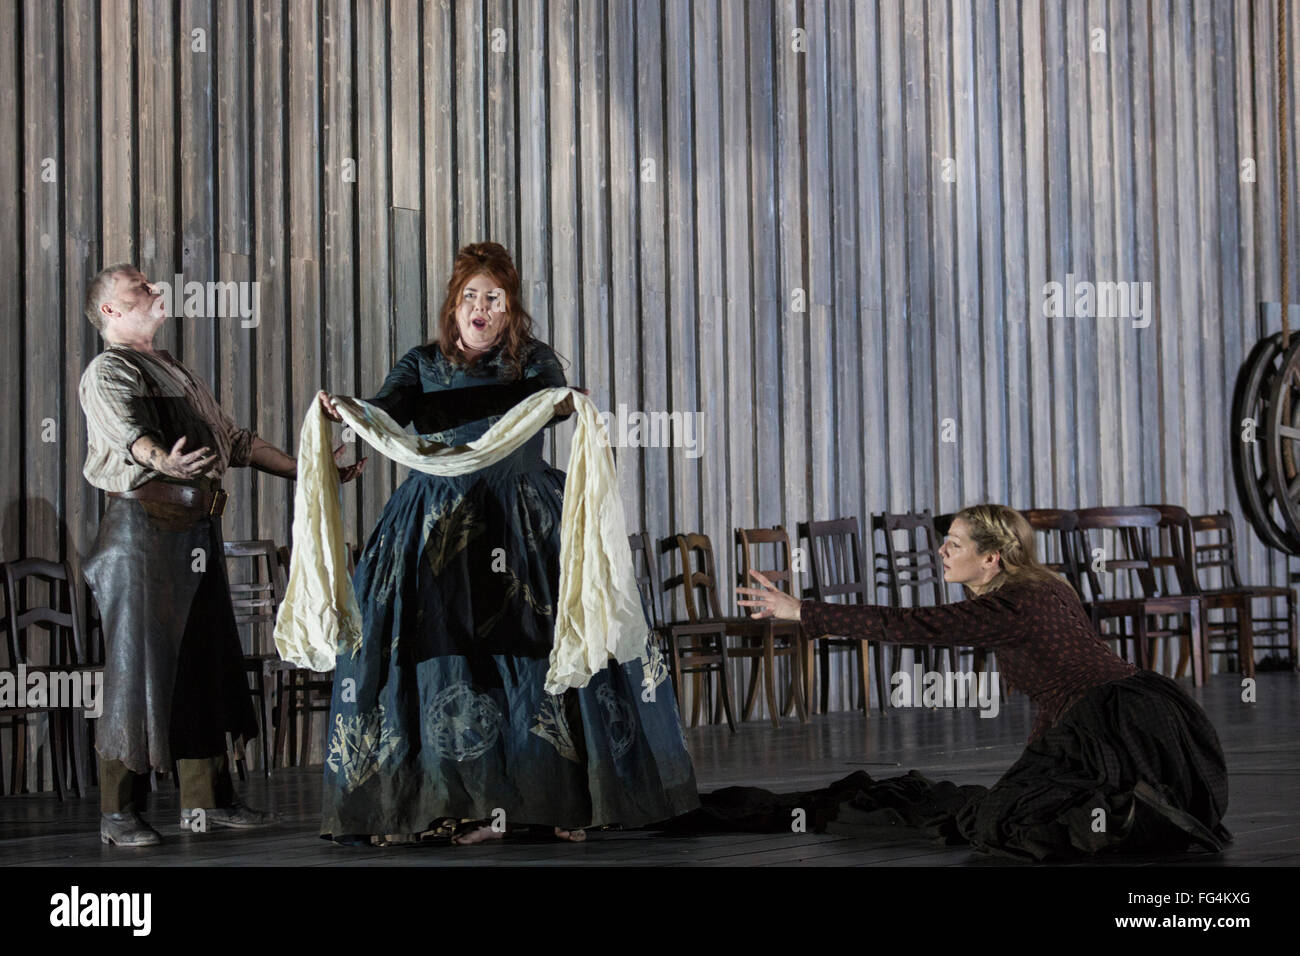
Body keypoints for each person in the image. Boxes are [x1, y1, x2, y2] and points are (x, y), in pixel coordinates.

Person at [316, 242, 698, 845]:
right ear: (454, 304)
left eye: (493, 298)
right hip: (435, 526)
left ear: (509, 307)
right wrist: (347, 412)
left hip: (522, 522)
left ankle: (553, 800)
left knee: (535, 655)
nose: (481, 307)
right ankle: (447, 802)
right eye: (470, 295)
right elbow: (385, 412)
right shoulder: (421, 364)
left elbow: (555, 404)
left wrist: (566, 402)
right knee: (445, 661)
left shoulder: (533, 360)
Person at [733, 503, 1231, 861]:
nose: (941, 550)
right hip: (1150, 713)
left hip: (1111, 724)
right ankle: (1145, 806)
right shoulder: (1048, 585)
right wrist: (1034, 763)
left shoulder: (1007, 606)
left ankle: (1139, 814)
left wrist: (802, 610)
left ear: (991, 558)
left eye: (955, 544)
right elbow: (1057, 688)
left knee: (999, 824)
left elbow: (906, 624)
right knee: (1012, 804)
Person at [80, 264, 365, 847]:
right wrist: (161, 459)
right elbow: (129, 434)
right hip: (141, 532)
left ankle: (207, 801)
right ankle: (118, 812)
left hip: (196, 529)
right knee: (137, 669)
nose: (154, 290)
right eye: (139, 288)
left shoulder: (175, 369)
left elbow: (234, 442)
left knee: (204, 661)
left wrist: (313, 469)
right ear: (110, 310)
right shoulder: (109, 371)